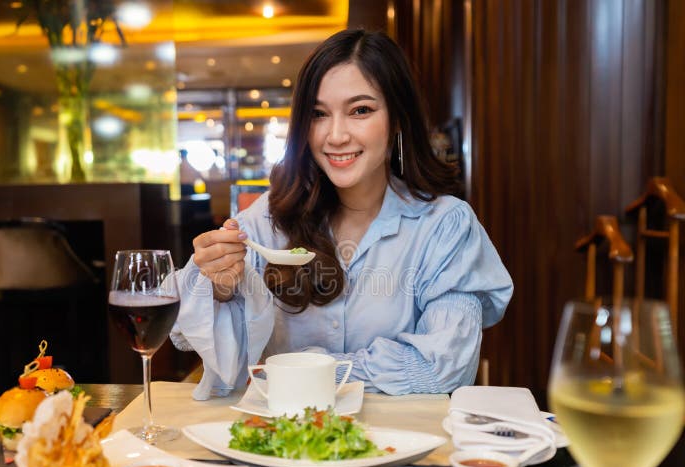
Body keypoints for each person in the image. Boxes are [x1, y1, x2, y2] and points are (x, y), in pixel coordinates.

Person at [171, 29, 513, 400]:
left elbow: (443, 365)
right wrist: (220, 289)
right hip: (286, 446)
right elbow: (209, 351)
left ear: (398, 119)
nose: (335, 135)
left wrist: (315, 369)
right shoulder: (268, 219)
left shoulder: (445, 226)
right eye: (318, 114)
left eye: (360, 111)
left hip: (401, 447)